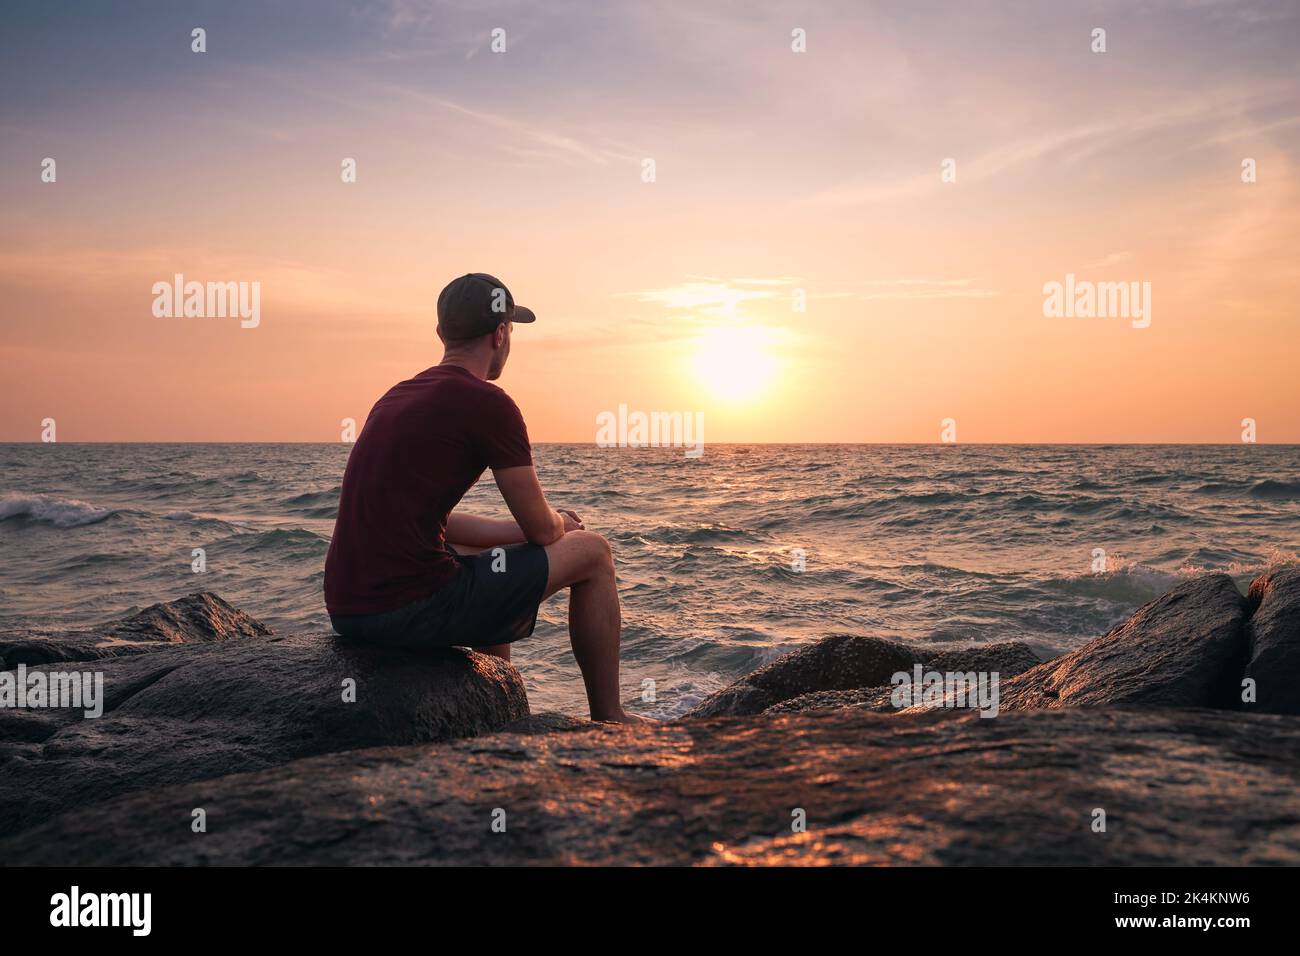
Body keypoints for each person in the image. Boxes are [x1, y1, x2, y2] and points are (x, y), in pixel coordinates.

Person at [324, 273, 646, 724]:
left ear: (442, 333)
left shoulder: (397, 396)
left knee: (487, 557)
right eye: (510, 331)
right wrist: (563, 527)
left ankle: (502, 711)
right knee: (594, 555)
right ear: (500, 335)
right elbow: (541, 527)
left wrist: (521, 537)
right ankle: (610, 716)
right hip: (406, 610)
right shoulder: (488, 403)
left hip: (348, 608)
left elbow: (442, 524)